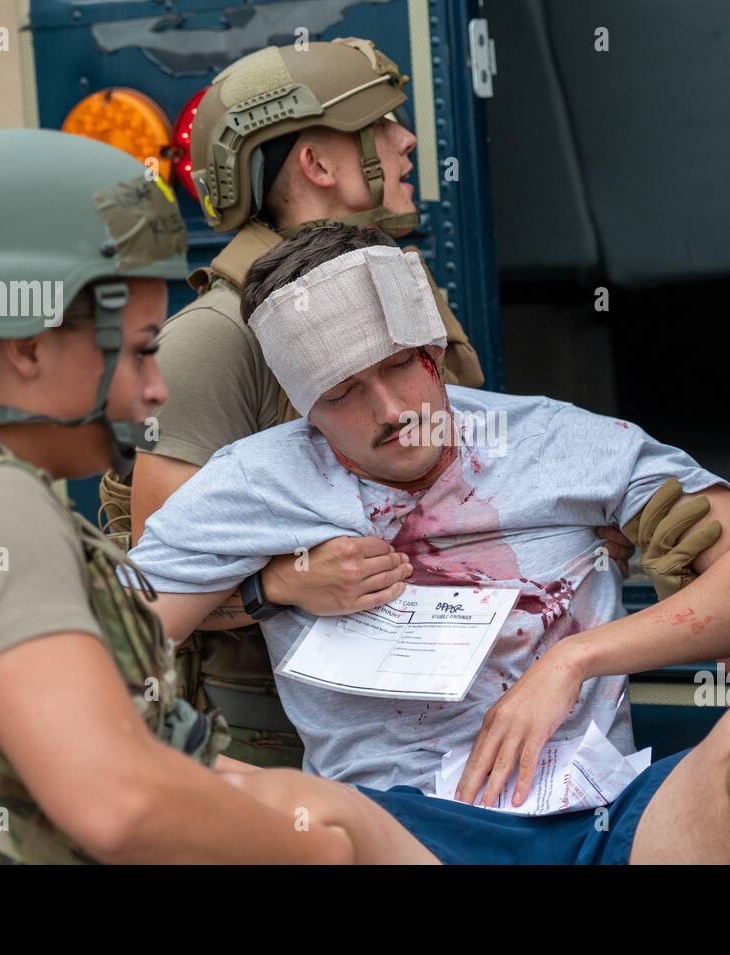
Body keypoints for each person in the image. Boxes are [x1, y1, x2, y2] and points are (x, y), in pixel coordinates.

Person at [123, 223, 730, 863]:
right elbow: (114, 644)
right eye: (344, 393)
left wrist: (576, 659)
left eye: (403, 367)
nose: (388, 409)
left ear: (432, 351)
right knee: (268, 809)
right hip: (409, 830)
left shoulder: (561, 441)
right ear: (304, 405)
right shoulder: (256, 482)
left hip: (614, 816)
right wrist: (273, 585)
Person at [0, 129, 425, 864]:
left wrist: (332, 814)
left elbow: (160, 760)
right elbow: (118, 802)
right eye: (137, 351)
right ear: (28, 347)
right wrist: (322, 853)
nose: (157, 388)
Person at [97, 37, 509, 769]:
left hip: (440, 708)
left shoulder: (400, 291)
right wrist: (278, 583)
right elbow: (152, 587)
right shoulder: (216, 339)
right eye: (382, 125)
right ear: (318, 165)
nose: (408, 139)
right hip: (279, 742)